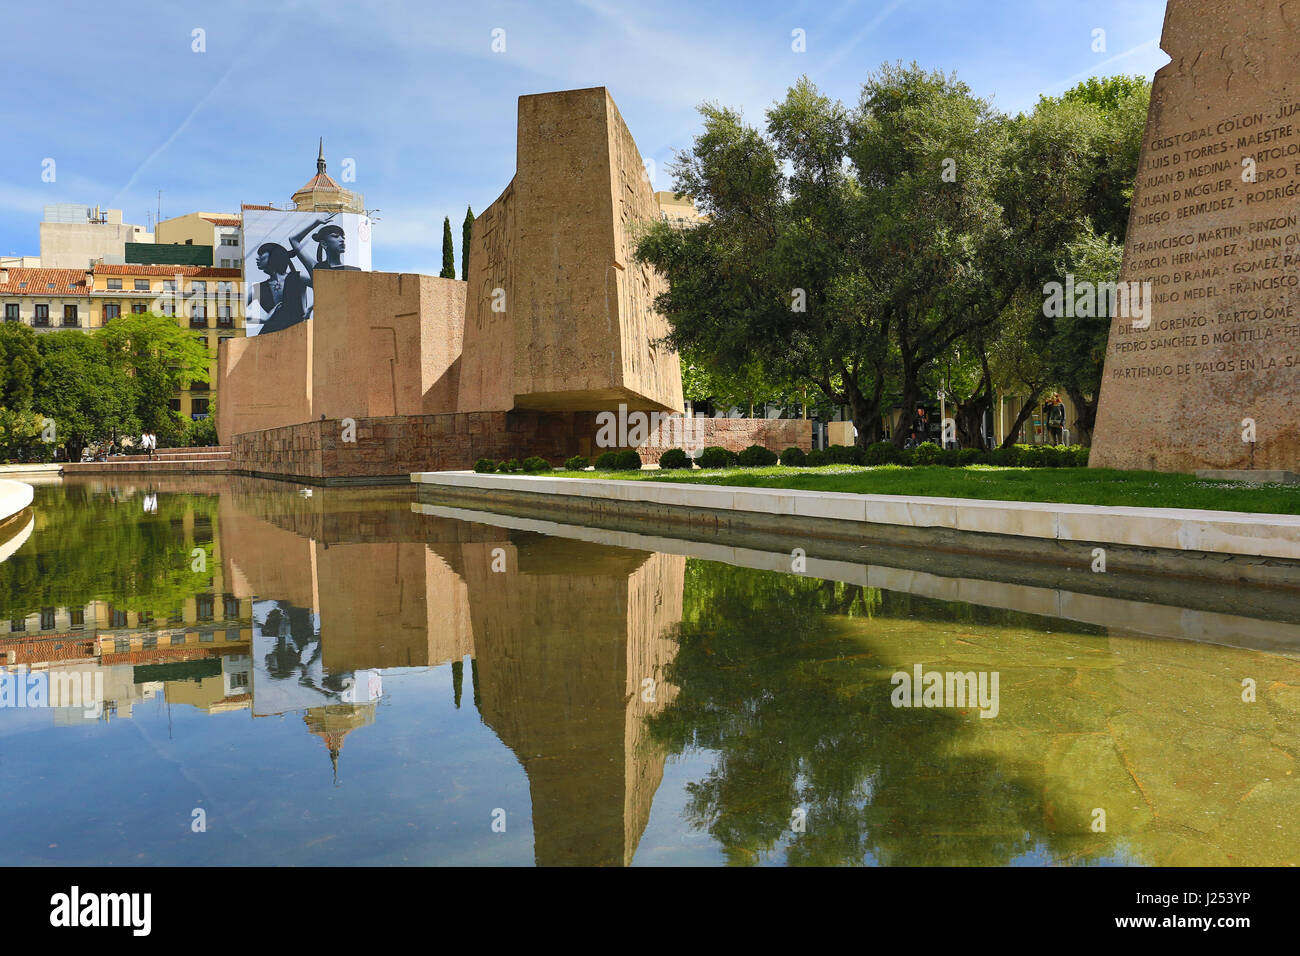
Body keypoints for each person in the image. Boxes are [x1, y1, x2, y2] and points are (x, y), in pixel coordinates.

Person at [247, 243, 312, 335]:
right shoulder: (257, 289)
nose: (257, 258)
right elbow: (234, 313)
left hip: (298, 334)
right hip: (270, 337)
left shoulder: (298, 277)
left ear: (275, 256)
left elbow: (325, 287)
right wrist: (263, 319)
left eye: (261, 254)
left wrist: (310, 309)